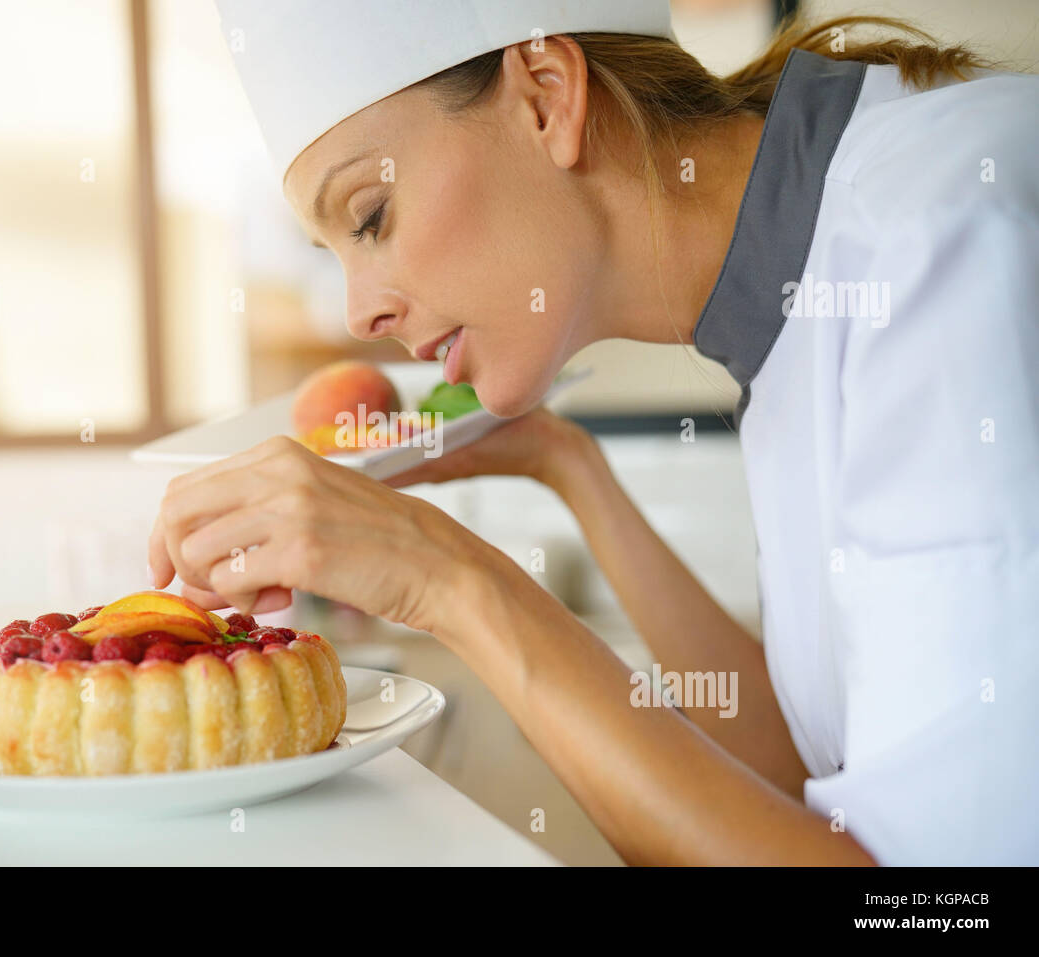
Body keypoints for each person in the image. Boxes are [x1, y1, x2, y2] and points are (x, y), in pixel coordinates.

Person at [147, 1, 1039, 864]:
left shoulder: (935, 244)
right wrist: (565, 465)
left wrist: (448, 580)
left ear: (545, 96)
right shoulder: (799, 294)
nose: (359, 311)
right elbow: (802, 772)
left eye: (371, 215)